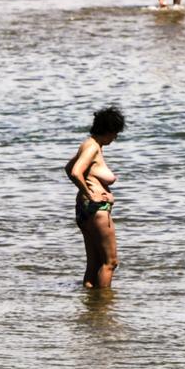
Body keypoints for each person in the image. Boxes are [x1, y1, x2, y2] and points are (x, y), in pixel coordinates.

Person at [66, 106, 123, 290]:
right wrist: (91, 194)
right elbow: (75, 172)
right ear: (108, 130)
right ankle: (103, 305)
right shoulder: (92, 148)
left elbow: (68, 168)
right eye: (115, 133)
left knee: (94, 263)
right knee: (110, 262)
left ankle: (91, 308)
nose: (115, 138)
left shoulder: (88, 144)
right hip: (96, 211)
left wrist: (86, 192)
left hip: (84, 211)